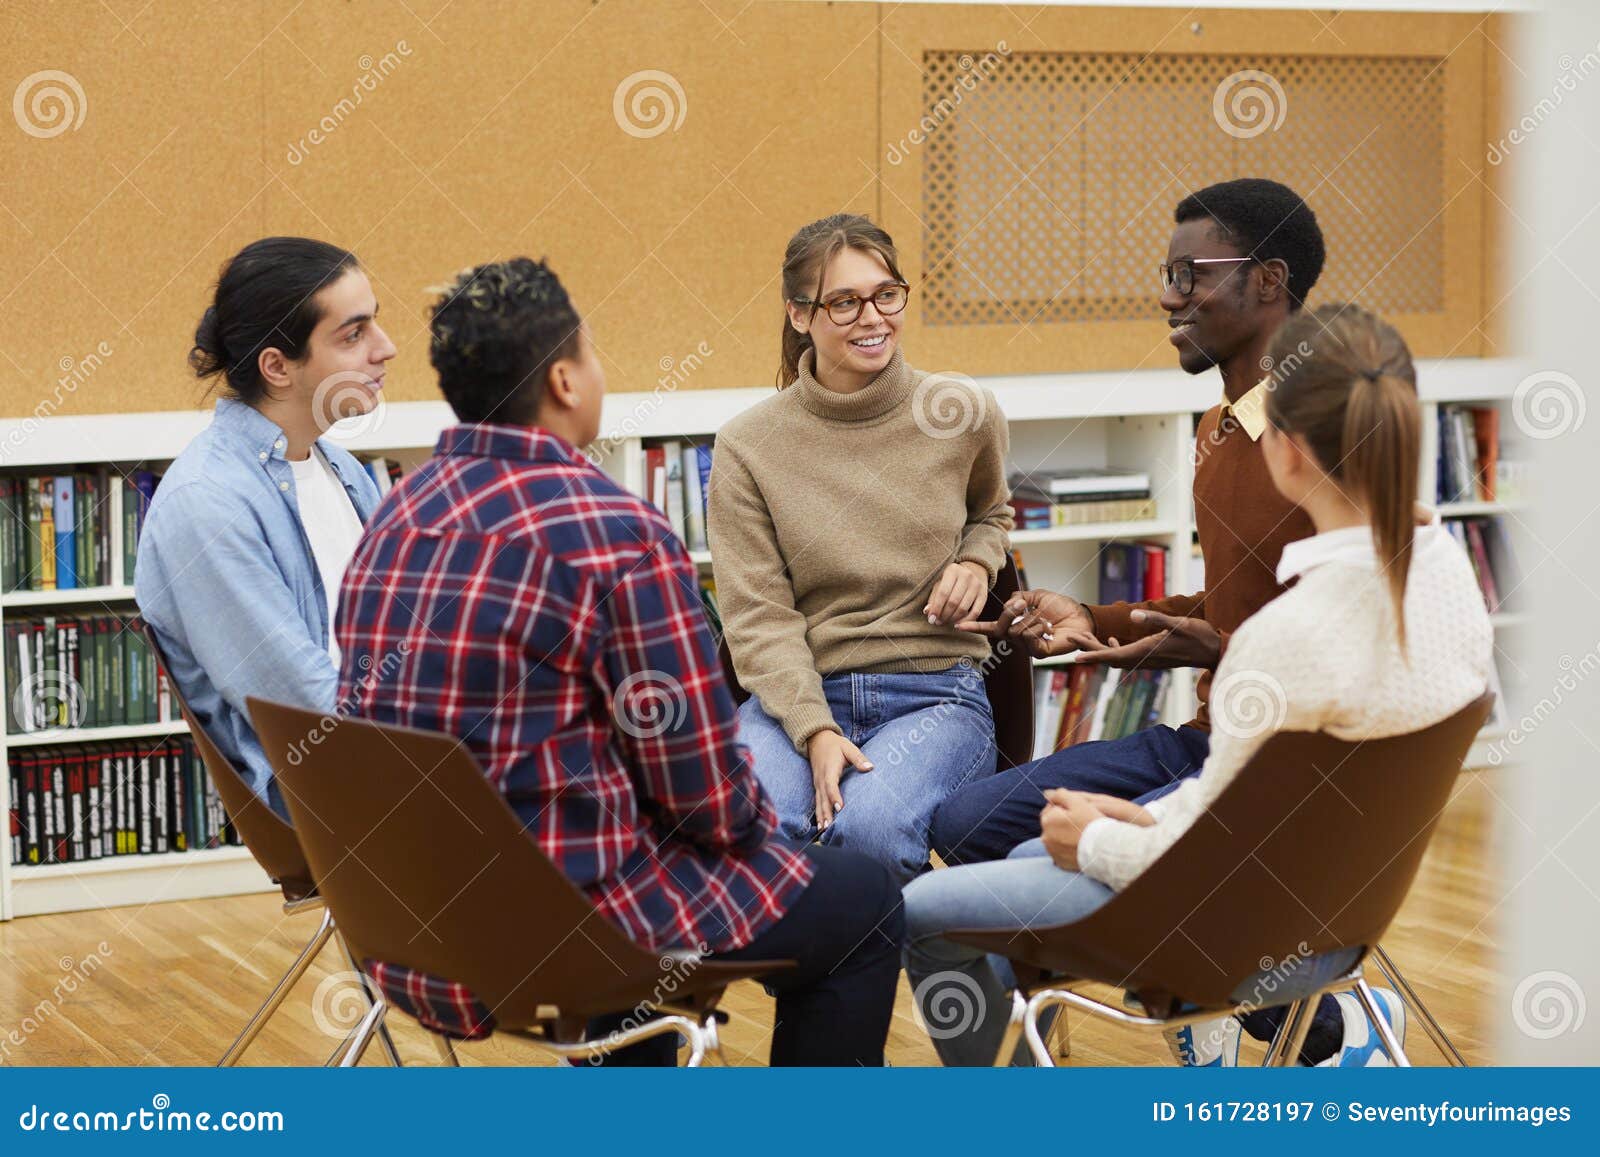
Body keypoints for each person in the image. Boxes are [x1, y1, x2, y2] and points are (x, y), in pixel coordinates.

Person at [335, 257, 903, 1066]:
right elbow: (703, 791)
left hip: (424, 923)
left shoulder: (396, 514)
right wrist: (762, 833)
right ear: (566, 380)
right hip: (573, 928)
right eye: (595, 355)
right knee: (867, 901)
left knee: (615, 846)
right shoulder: (616, 531)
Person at [905, 302, 1493, 1068]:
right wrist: (1129, 817)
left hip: (1235, 925)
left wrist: (1102, 835)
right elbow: (1235, 806)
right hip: (1341, 902)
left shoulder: (1286, 636)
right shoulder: (1450, 575)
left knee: (928, 908)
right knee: (1020, 850)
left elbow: (1210, 841)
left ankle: (1034, 1108)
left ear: (1283, 452)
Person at [929, 178, 1339, 1062]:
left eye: (1192, 276)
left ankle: (1289, 1016)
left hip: (1285, 758)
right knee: (964, 825)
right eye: (1168, 272)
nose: (1168, 297)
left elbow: (1365, 639)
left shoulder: (1330, 434)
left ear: (1268, 282)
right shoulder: (1218, 431)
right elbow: (1224, 607)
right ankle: (1216, 989)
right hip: (1203, 737)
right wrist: (1094, 616)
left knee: (1080, 862)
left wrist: (1228, 650)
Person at [708, 213, 1012, 886]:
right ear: (798, 315)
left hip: (936, 692)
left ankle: (921, 990)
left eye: (885, 294)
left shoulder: (962, 410)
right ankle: (813, 989)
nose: (871, 316)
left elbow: (991, 512)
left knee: (869, 831)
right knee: (749, 829)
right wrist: (815, 729)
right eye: (843, 301)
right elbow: (757, 617)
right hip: (802, 692)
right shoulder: (748, 445)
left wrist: (975, 560)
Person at [136, 237, 392, 818]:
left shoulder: (343, 469)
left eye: (375, 324)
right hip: (335, 793)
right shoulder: (209, 502)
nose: (387, 348)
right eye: (353, 335)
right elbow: (304, 710)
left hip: (391, 756)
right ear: (277, 367)